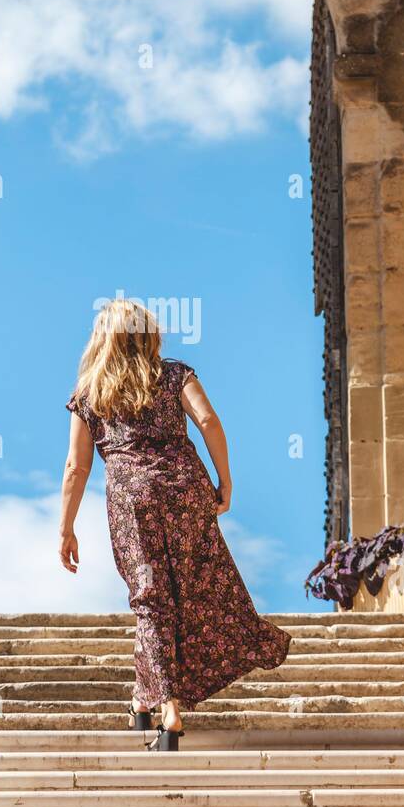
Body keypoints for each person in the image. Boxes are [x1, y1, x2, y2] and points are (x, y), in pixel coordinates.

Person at [59, 299, 290, 750]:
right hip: (185, 489)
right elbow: (207, 420)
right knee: (193, 589)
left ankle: (168, 710)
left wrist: (66, 527)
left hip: (132, 499)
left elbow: (75, 467)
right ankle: (141, 701)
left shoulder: (89, 394)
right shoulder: (174, 374)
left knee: (150, 597)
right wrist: (225, 479)